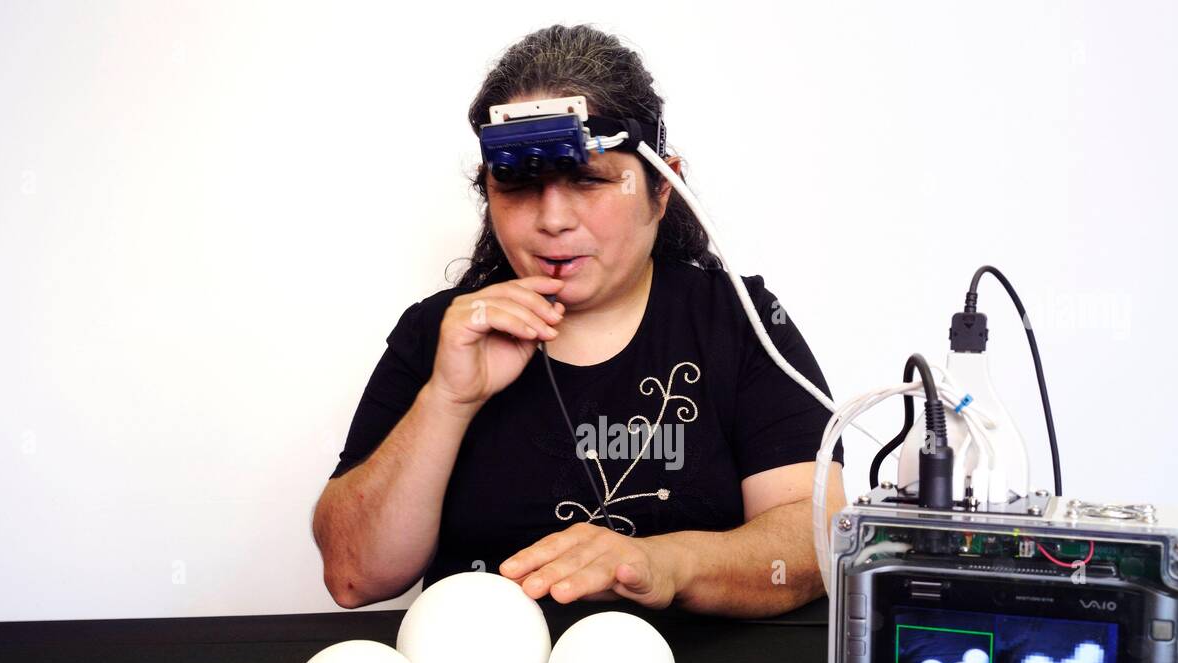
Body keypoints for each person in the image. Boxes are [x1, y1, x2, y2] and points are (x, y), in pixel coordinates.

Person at [313, 24, 845, 617]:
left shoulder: (739, 321)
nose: (553, 219)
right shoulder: (438, 334)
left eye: (588, 180)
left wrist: (664, 563)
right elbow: (354, 575)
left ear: (661, 189)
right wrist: (446, 399)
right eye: (518, 187)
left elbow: (814, 540)